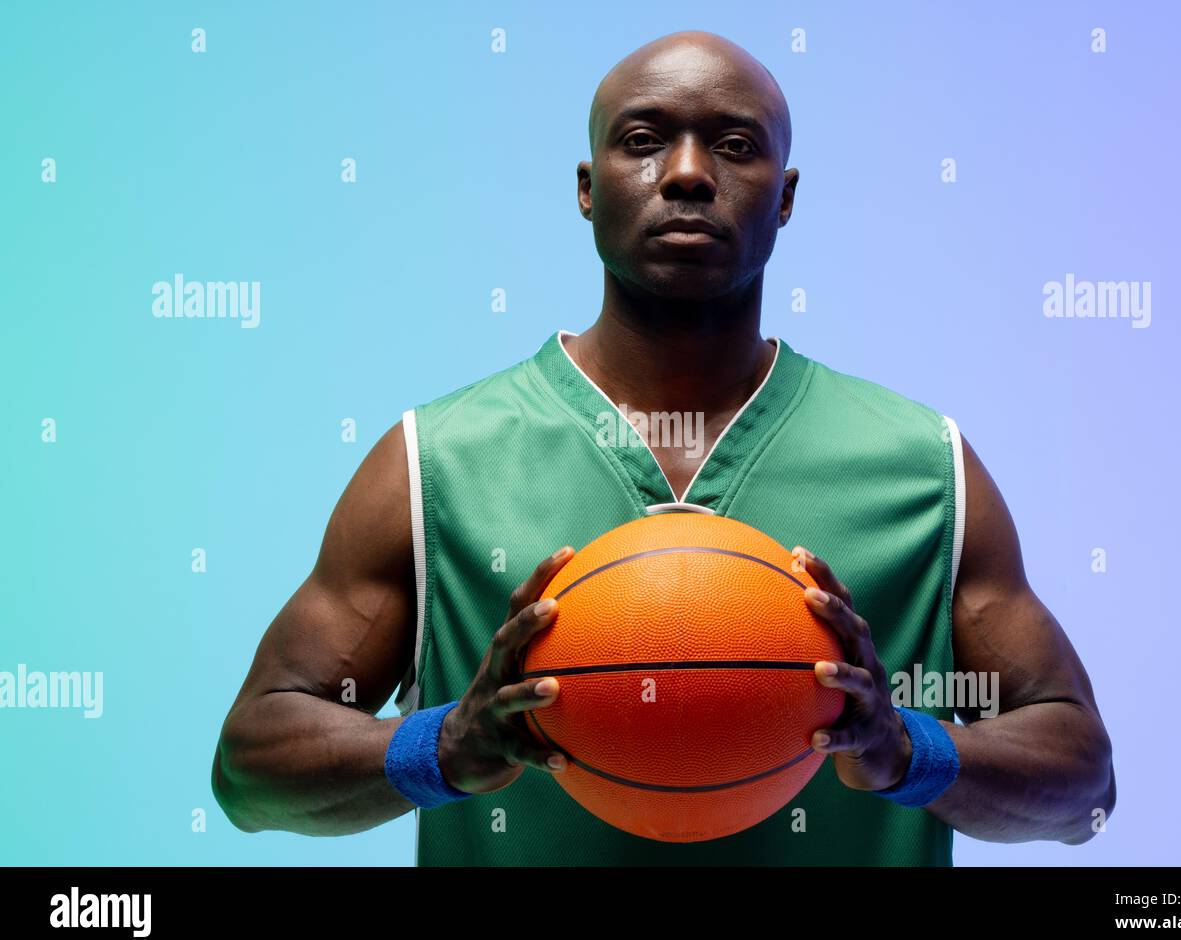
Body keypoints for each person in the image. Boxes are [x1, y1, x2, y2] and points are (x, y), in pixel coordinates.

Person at [211, 30, 1116, 865]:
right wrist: (444, 744)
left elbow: (1085, 789)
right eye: (644, 140)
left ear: (785, 196)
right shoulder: (434, 462)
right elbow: (249, 770)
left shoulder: (924, 468)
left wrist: (906, 747)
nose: (686, 173)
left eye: (735, 145)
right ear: (587, 187)